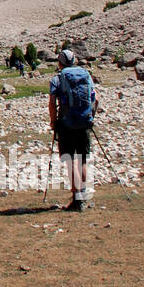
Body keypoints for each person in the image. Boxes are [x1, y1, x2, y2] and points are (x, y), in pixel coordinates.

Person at [49, 48, 97, 212]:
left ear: (60, 62)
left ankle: (76, 199)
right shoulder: (86, 75)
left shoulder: (57, 78)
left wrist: (53, 122)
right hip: (84, 122)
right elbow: (95, 98)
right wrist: (91, 117)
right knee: (82, 159)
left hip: (66, 124)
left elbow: (52, 102)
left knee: (70, 160)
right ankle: (82, 196)